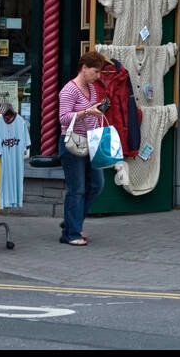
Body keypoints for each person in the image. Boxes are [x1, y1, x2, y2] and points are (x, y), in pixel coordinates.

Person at [57, 51, 108, 246]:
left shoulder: (92, 88)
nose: (98, 76)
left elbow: (92, 113)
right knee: (77, 189)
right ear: (84, 68)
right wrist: (86, 111)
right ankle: (71, 233)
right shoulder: (69, 90)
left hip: (90, 141)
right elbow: (63, 118)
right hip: (72, 143)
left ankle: (72, 222)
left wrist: (99, 110)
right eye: (95, 71)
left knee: (97, 184)